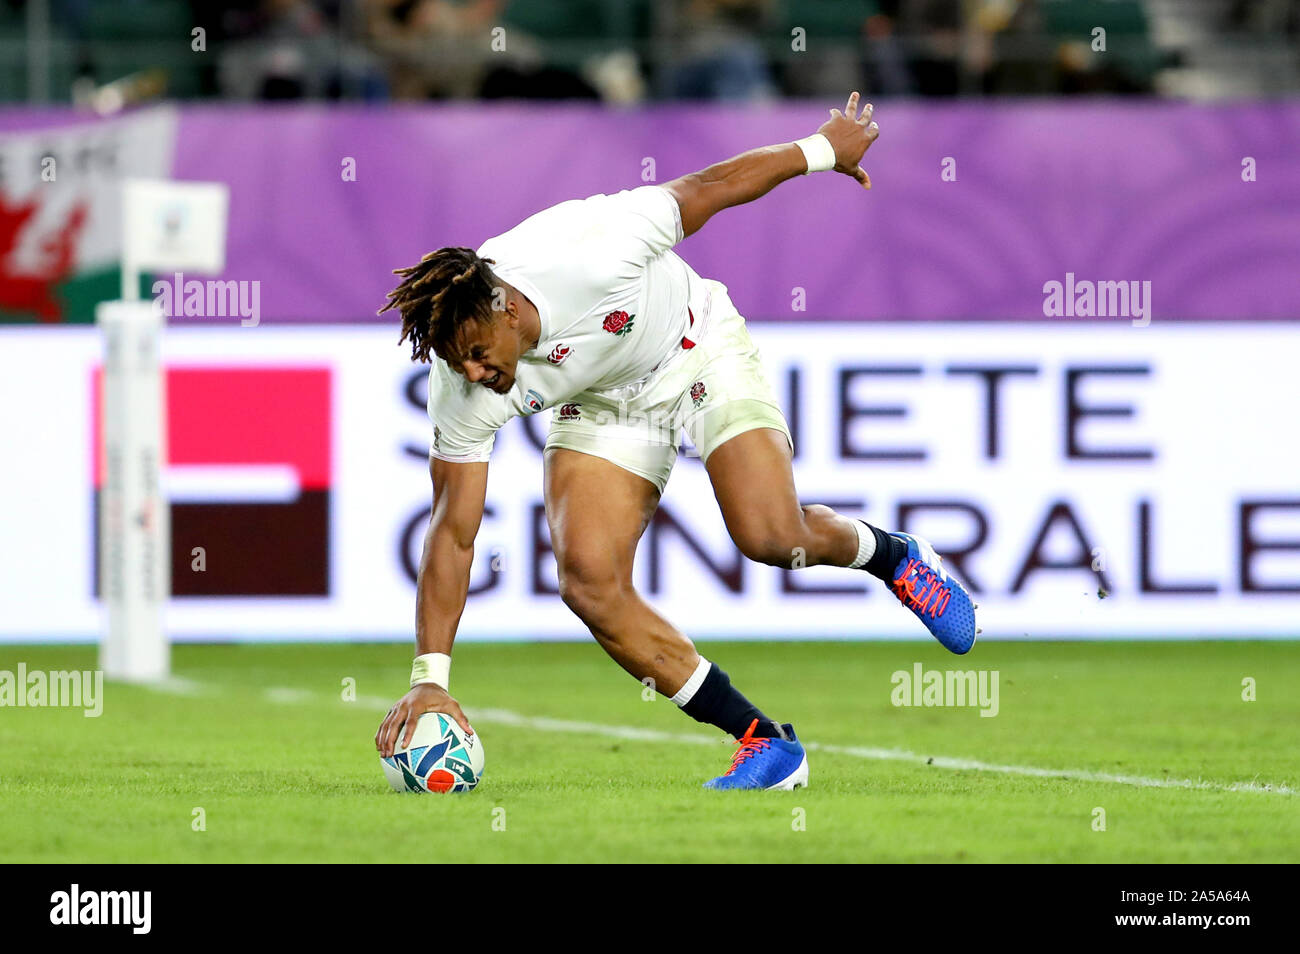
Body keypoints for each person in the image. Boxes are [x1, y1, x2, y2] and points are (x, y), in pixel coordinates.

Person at [374, 93, 977, 790]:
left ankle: (893, 556)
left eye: (479, 352)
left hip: (696, 350)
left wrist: (821, 151)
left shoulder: (589, 250)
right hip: (605, 403)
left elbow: (709, 188)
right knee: (589, 582)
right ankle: (764, 744)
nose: (476, 373)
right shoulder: (464, 387)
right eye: (458, 363)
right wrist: (429, 678)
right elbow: (452, 533)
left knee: (773, 536)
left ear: (508, 308)